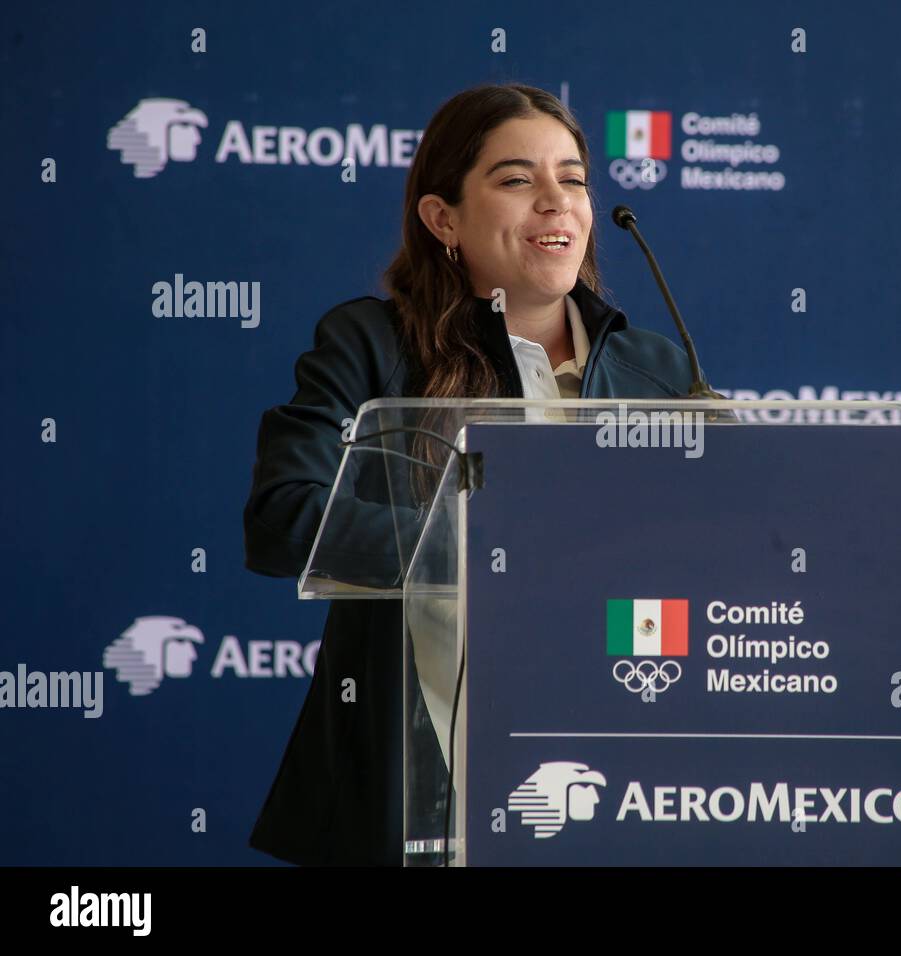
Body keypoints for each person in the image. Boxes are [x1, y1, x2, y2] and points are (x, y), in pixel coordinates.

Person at [242, 84, 697, 866]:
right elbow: (284, 519)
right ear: (442, 218)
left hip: (618, 774)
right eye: (518, 180)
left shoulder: (660, 370)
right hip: (419, 784)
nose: (558, 202)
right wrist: (484, 544)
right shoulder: (370, 345)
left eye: (575, 179)